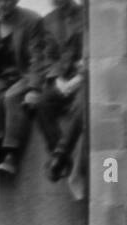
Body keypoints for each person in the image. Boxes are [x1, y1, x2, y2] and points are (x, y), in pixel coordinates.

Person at [0, 0, 42, 176]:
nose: (3, 4)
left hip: (24, 75)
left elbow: (36, 58)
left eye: (8, 1)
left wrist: (34, 88)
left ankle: (11, 155)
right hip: (2, 76)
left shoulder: (32, 20)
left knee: (11, 97)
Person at [34, 0, 85, 183]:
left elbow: (96, 52)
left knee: (82, 106)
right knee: (42, 103)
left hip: (86, 81)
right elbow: (48, 56)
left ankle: (59, 156)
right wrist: (58, 79)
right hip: (62, 80)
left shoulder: (86, 14)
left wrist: (79, 78)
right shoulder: (48, 20)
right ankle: (61, 157)